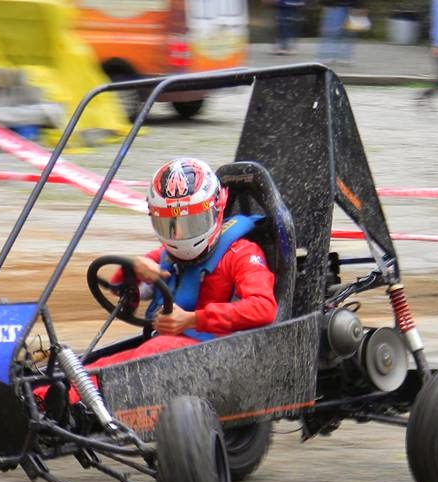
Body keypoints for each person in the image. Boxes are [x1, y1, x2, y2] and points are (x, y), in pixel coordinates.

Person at [40, 158, 277, 406]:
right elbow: (125, 295)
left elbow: (264, 308)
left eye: (191, 223)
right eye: (170, 225)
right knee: (95, 367)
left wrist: (192, 319)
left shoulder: (241, 253)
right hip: (168, 353)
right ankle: (42, 398)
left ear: (215, 211)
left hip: (217, 355)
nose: (180, 234)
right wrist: (133, 269)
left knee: (143, 356)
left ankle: (67, 404)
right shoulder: (165, 256)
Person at [318, 0, 359, 65]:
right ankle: (327, 56)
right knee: (331, 32)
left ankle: (345, 57)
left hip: (350, 7)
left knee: (349, 33)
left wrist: (359, 6)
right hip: (334, 6)